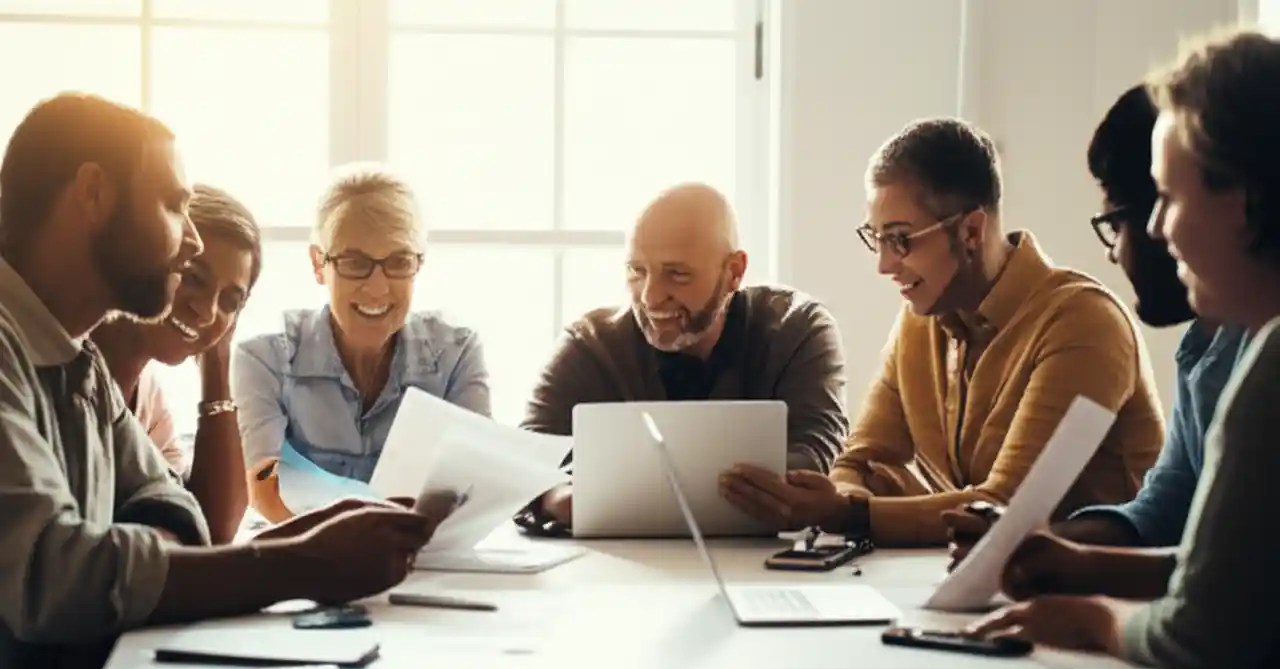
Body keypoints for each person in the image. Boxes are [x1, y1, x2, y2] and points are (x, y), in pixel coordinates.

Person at [0, 94, 444, 669]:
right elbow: (53, 575)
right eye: (174, 205)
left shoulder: (79, 364)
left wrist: (307, 533)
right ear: (94, 195)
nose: (188, 246)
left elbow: (187, 521)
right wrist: (305, 563)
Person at [970, 31, 1280, 669]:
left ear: (1246, 200)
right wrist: (1082, 565)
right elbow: (1239, 572)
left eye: (1167, 197)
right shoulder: (1227, 346)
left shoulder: (1271, 365)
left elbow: (1204, 630)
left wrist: (1090, 619)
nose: (1160, 229)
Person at [720, 118, 1165, 546]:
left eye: (900, 239)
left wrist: (849, 512)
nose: (884, 264)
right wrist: (845, 498)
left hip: (1100, 595)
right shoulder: (920, 321)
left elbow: (1006, 507)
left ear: (971, 230)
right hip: (984, 583)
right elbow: (862, 461)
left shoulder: (1083, 322)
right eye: (875, 238)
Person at [941, 86, 1248, 594]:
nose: (1152, 232)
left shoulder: (1085, 319)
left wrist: (1085, 591)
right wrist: (1041, 543)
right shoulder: (1205, 344)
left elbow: (1241, 573)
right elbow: (1162, 512)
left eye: (1117, 221)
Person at [517, 182, 849, 534]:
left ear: (734, 272)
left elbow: (815, 453)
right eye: (636, 271)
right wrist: (557, 497)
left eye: (677, 274)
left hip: (757, 565)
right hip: (613, 568)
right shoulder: (591, 344)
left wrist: (627, 497)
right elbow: (522, 461)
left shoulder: (796, 329)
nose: (650, 297)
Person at [233, 164, 490, 521]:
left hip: (427, 557)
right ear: (318, 263)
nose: (377, 288)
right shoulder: (264, 359)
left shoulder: (456, 354)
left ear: (419, 263)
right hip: (305, 554)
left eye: (399, 261)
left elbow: (478, 482)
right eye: (354, 262)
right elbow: (262, 485)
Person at [91, 184, 262, 544]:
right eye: (194, 277)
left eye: (230, 300)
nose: (207, 308)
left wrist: (216, 357)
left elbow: (213, 529)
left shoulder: (147, 394)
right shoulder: (65, 364)